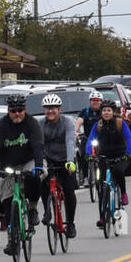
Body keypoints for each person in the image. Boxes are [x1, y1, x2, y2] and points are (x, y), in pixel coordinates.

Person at [0, 93, 45, 255]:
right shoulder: (0, 125)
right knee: (5, 196)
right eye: (13, 111)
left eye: (20, 110)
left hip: (29, 160)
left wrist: (39, 166)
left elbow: (38, 145)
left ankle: (32, 208)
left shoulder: (32, 124)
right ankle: (12, 239)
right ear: (8, 111)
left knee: (35, 177)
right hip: (8, 165)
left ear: (25, 110)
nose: (17, 114)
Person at [86, 98, 131, 230]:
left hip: (120, 156)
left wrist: (128, 152)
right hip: (104, 156)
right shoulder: (98, 125)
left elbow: (129, 138)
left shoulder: (120, 123)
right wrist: (89, 153)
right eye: (104, 110)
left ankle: (123, 193)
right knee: (101, 186)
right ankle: (102, 217)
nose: (106, 113)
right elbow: (91, 139)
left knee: (118, 172)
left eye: (109, 110)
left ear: (113, 112)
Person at [38, 92, 78, 239]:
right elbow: (38, 145)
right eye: (47, 108)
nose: (50, 111)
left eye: (53, 108)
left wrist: (70, 161)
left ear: (59, 109)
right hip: (48, 160)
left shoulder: (67, 122)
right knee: (41, 182)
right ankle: (47, 211)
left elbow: (70, 142)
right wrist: (39, 163)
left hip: (65, 160)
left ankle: (71, 223)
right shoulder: (40, 123)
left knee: (69, 191)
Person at [74, 91, 105, 186]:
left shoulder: (104, 111)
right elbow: (79, 121)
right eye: (93, 100)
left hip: (101, 137)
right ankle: (86, 177)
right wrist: (76, 131)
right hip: (88, 138)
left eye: (97, 100)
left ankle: (104, 175)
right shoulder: (85, 111)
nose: (95, 102)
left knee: (104, 155)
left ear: (101, 101)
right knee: (83, 153)